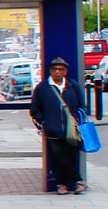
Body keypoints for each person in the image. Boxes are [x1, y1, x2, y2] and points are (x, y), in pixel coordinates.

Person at [30, 56, 88, 195]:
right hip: (52, 130)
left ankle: (62, 185)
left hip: (71, 130)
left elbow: (81, 106)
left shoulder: (73, 86)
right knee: (60, 155)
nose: (57, 72)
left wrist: (76, 120)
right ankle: (78, 180)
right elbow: (35, 110)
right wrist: (44, 122)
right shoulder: (42, 88)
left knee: (68, 157)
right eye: (54, 69)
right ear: (50, 71)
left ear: (65, 72)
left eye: (60, 69)